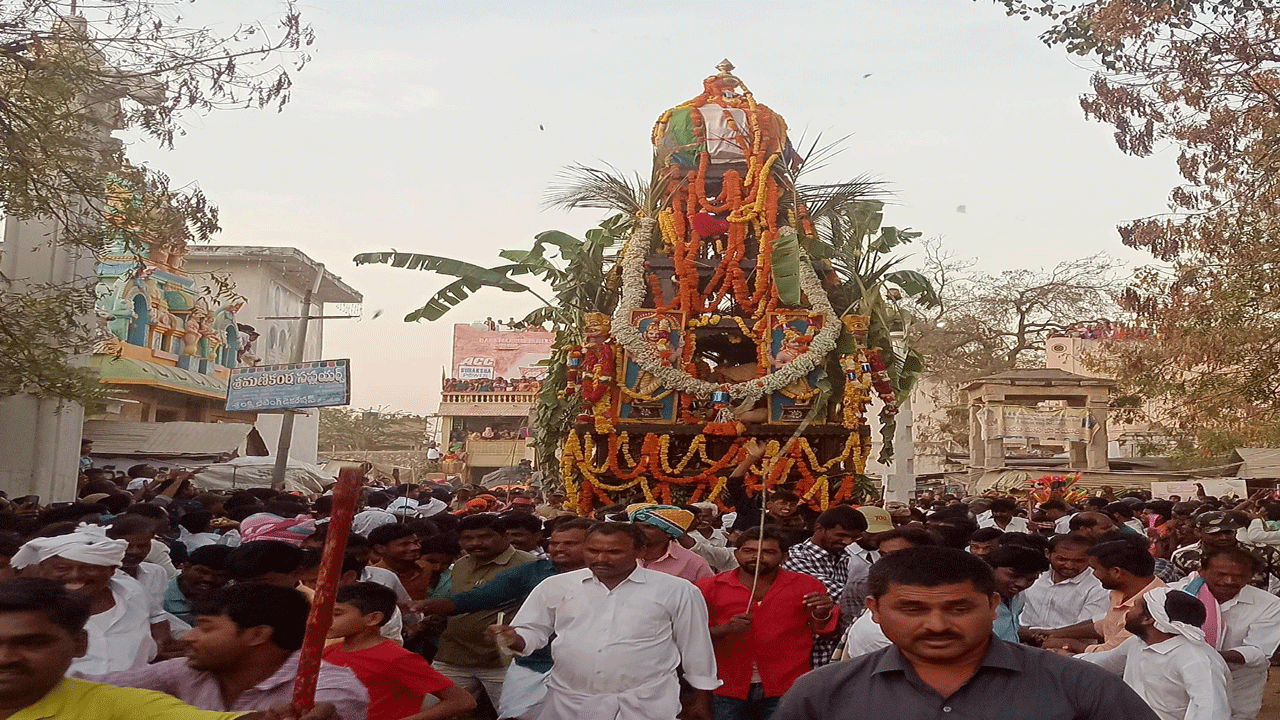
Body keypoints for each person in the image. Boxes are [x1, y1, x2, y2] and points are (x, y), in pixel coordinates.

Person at [771, 546, 1160, 720]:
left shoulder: (1079, 687)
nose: (937, 625)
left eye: (959, 609)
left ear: (993, 606)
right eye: (912, 609)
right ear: (874, 611)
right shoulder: (822, 694)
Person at [0, 577, 337, 720]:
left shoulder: (123, 709)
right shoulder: (174, 672)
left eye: (30, 643)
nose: (5, 659)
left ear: (79, 643)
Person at [488, 522, 718, 720]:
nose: (601, 559)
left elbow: (696, 647)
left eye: (614, 552)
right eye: (593, 550)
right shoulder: (556, 586)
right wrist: (513, 638)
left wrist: (701, 700)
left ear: (641, 551)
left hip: (646, 703)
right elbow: (531, 631)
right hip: (569, 702)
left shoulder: (676, 590)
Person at [98, 584, 368, 720]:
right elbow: (97, 691)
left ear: (257, 635)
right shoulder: (185, 670)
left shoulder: (329, 687)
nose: (189, 637)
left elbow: (331, 710)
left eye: (205, 628)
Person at [412, 519, 592, 720]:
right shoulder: (534, 573)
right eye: (555, 543)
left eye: (569, 544)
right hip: (533, 664)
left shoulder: (618, 581)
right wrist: (424, 605)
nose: (559, 549)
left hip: (588, 671)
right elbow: (478, 597)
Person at [696, 527, 836, 720]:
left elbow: (823, 628)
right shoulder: (709, 587)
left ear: (784, 557)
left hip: (786, 686)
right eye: (749, 551)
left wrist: (822, 612)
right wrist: (725, 629)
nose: (757, 557)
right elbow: (692, 637)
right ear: (736, 554)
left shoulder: (808, 585)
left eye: (768, 552)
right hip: (726, 687)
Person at [13, 523, 164, 674]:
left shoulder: (133, 592)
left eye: (89, 568)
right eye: (62, 568)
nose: (75, 575)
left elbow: (158, 618)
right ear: (42, 570)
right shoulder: (25, 612)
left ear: (112, 570)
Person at [323, 583, 475, 720]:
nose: (326, 619)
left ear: (373, 618)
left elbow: (462, 701)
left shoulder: (396, 658)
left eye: (337, 614)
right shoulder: (328, 652)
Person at [430, 513, 535, 711]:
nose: (475, 543)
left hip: (503, 663)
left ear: (504, 536)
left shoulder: (528, 565)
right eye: (468, 538)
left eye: (484, 537)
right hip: (452, 657)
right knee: (433, 711)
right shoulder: (461, 564)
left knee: (514, 714)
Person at [1077, 587, 1231, 720]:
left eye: (1135, 606)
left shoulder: (1197, 659)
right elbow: (1102, 663)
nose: (1128, 611)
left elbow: (1211, 712)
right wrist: (1062, 661)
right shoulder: (1137, 644)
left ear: (1147, 619)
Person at [1174, 547, 1280, 720]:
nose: (1229, 581)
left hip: (1239, 685)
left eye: (1238, 576)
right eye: (1221, 574)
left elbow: (1258, 651)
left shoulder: (1270, 605)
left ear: (1250, 576)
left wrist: (1207, 657)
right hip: (1180, 681)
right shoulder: (1175, 594)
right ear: (1202, 571)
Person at [1039, 536, 1165, 653]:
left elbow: (1112, 654)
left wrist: (1066, 644)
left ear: (1116, 572)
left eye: (1095, 569)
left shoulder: (1153, 606)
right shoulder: (1119, 592)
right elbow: (1107, 625)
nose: (1093, 575)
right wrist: (1054, 633)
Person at [783, 505, 866, 668]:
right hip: (805, 650)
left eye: (854, 538)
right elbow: (840, 596)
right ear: (820, 529)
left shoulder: (843, 557)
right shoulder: (796, 558)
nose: (847, 542)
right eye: (841, 535)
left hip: (832, 649)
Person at [1021, 534, 1111, 631]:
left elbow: (1086, 627)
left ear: (1091, 559)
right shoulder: (1035, 574)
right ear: (1047, 554)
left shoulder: (1098, 586)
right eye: (1062, 559)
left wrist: (1047, 635)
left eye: (1079, 561)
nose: (1069, 565)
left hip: (1066, 642)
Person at [629, 505, 714, 583]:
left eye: (648, 527)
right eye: (636, 527)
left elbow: (709, 594)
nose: (639, 531)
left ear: (668, 532)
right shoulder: (623, 555)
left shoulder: (693, 563)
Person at [981, 545, 1048, 643]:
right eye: (1014, 576)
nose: (1022, 584)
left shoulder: (1018, 597)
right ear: (990, 569)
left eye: (1030, 579)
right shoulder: (976, 601)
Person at [164, 545, 233, 630]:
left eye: (219, 575)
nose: (208, 579)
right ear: (186, 568)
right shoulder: (158, 595)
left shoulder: (229, 599)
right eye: (202, 571)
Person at [369, 524, 435, 600]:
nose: (416, 547)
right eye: (405, 544)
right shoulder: (372, 577)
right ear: (380, 548)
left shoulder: (427, 568)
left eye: (416, 542)